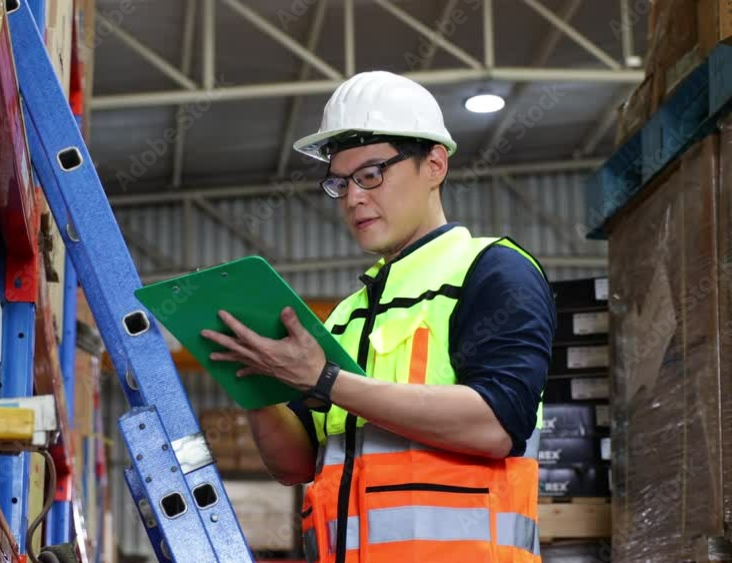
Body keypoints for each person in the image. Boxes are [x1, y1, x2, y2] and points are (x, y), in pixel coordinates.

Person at [201, 71, 555, 563]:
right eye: (339, 183)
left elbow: (497, 425)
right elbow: (295, 465)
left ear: (434, 164)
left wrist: (323, 378)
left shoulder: (491, 270)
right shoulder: (348, 314)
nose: (353, 198)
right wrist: (254, 380)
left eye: (371, 174)